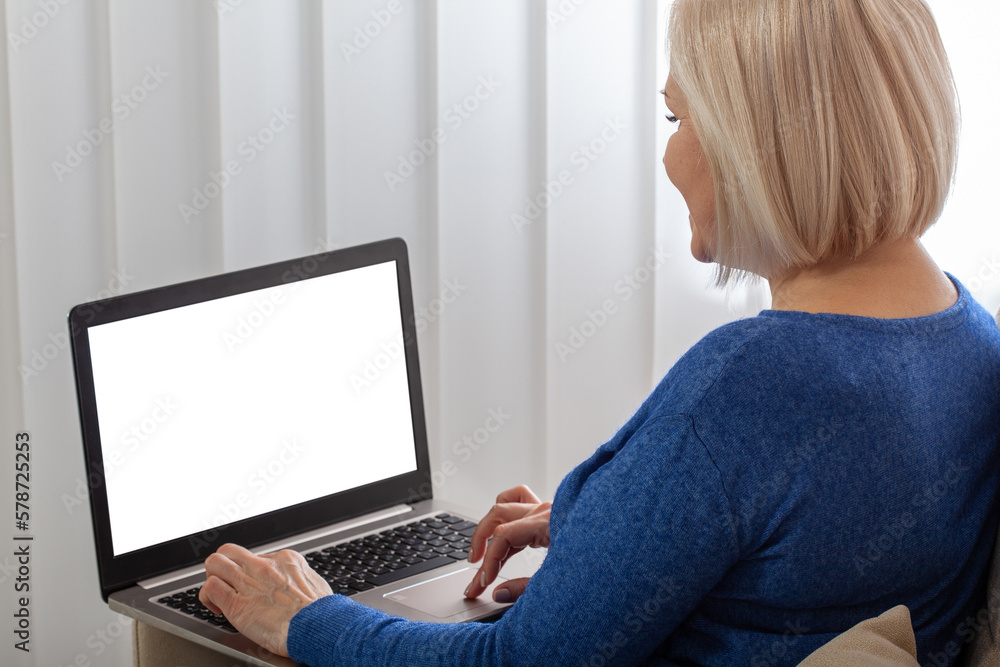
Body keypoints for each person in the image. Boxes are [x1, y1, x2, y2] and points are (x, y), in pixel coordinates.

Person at [199, 0, 1000, 664]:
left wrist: (308, 617)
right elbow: (807, 535)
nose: (669, 154)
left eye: (676, 116)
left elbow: (511, 665)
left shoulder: (755, 381)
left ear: (756, 141)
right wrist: (613, 520)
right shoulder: (969, 339)